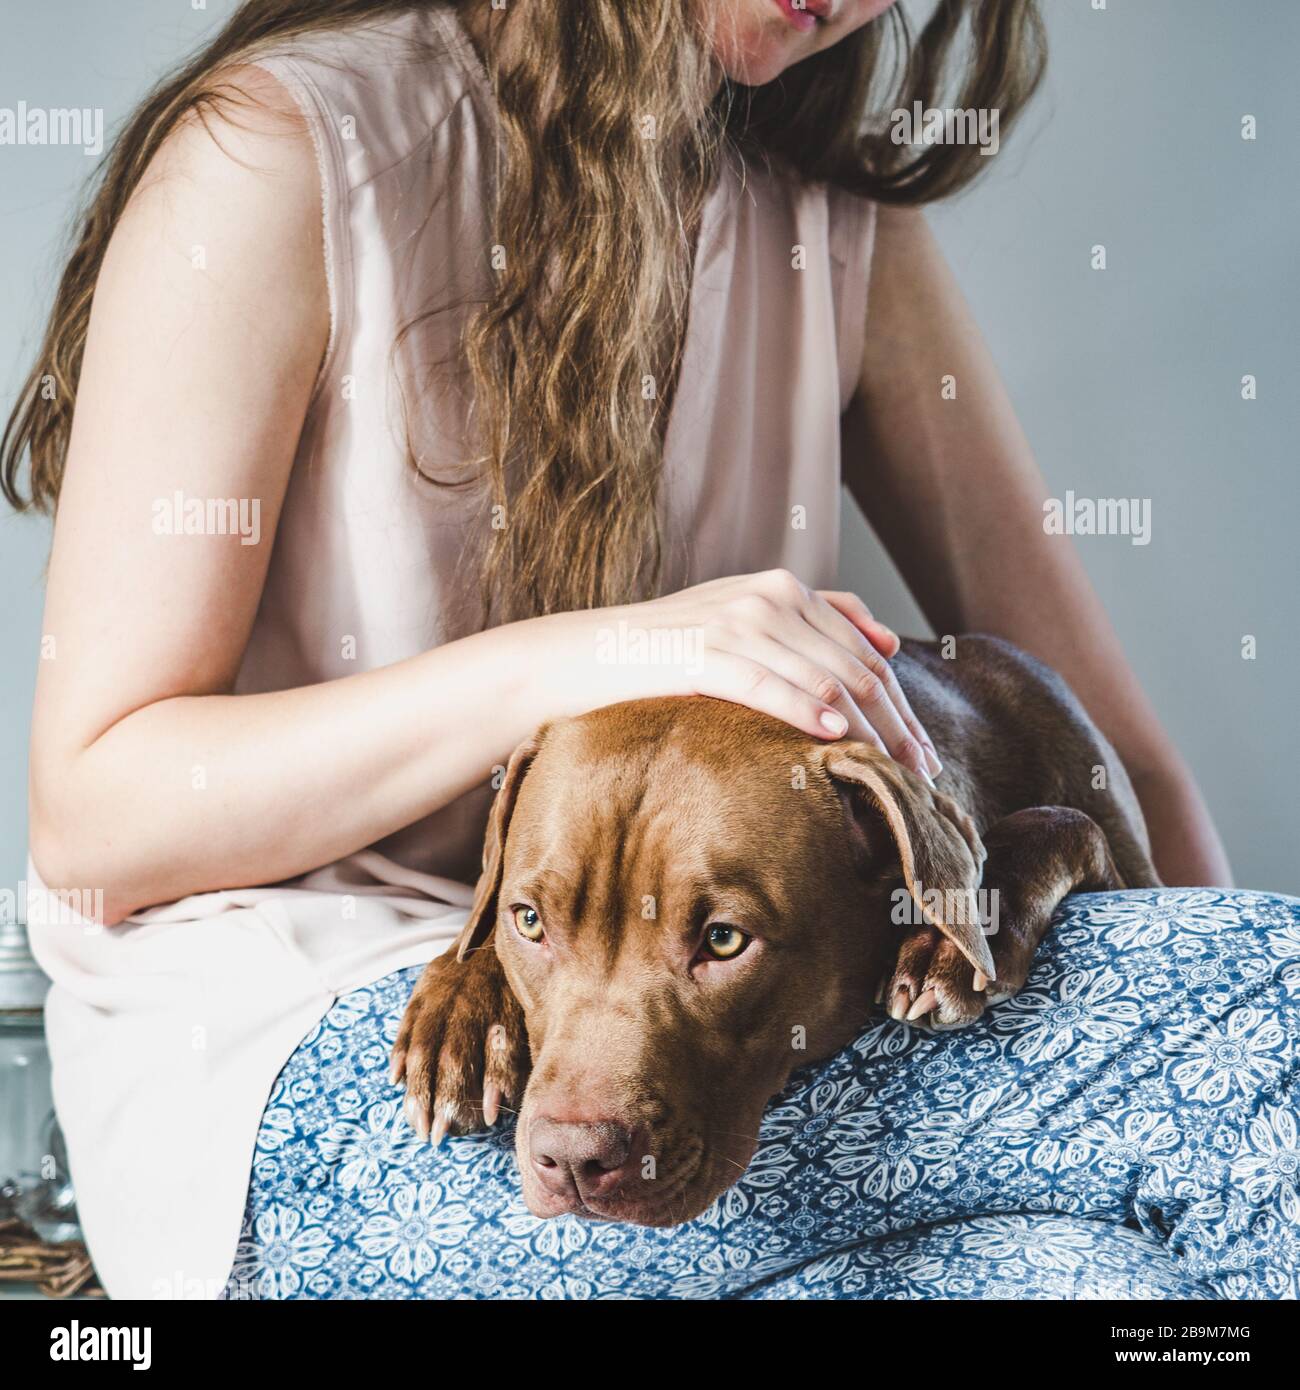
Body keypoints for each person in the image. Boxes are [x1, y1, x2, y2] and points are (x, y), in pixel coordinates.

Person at [9, 1, 1273, 1303]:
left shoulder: (832, 225)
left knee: (1097, 1271)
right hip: (297, 1043)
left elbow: (1129, 772)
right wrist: (587, 658)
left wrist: (1176, 958)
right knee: (1261, 1041)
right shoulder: (277, 153)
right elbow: (93, 807)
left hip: (707, 1021)